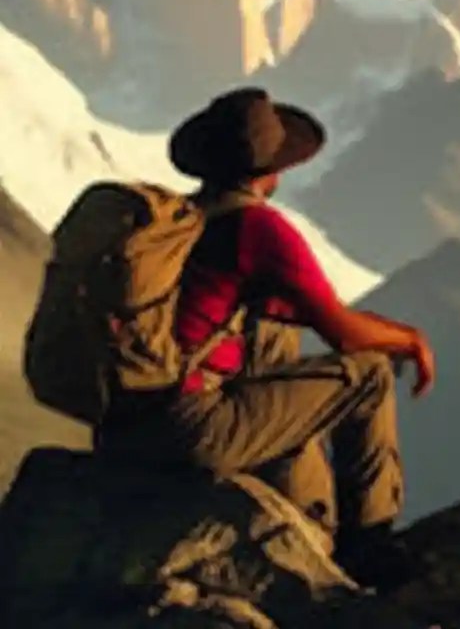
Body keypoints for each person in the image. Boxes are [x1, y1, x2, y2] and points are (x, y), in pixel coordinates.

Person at [94, 87, 435, 591]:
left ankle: (305, 514)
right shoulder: (258, 230)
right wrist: (409, 340)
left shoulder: (175, 227)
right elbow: (343, 332)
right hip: (188, 430)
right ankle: (369, 544)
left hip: (123, 427)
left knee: (276, 344)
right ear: (270, 171)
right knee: (368, 376)